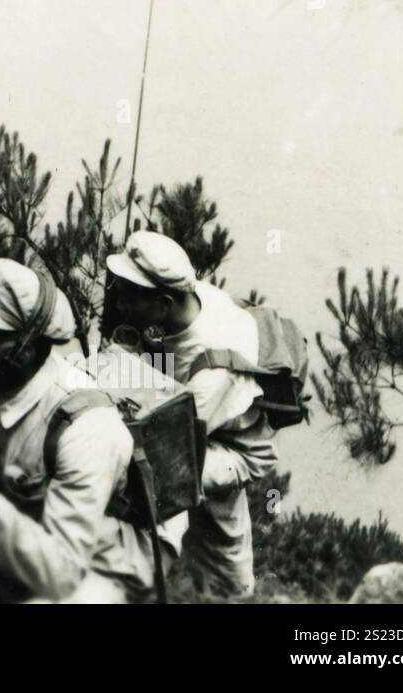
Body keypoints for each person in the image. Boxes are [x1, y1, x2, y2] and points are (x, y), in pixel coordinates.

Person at [0, 257, 179, 603]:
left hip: (107, 563)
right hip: (31, 532)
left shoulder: (85, 428)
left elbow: (62, 574)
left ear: (20, 350)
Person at [104, 230, 278, 597]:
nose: (120, 304)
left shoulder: (213, 371)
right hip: (191, 417)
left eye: (130, 297)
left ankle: (224, 590)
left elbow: (169, 446)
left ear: (164, 305)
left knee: (168, 487)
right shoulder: (189, 299)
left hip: (230, 449)